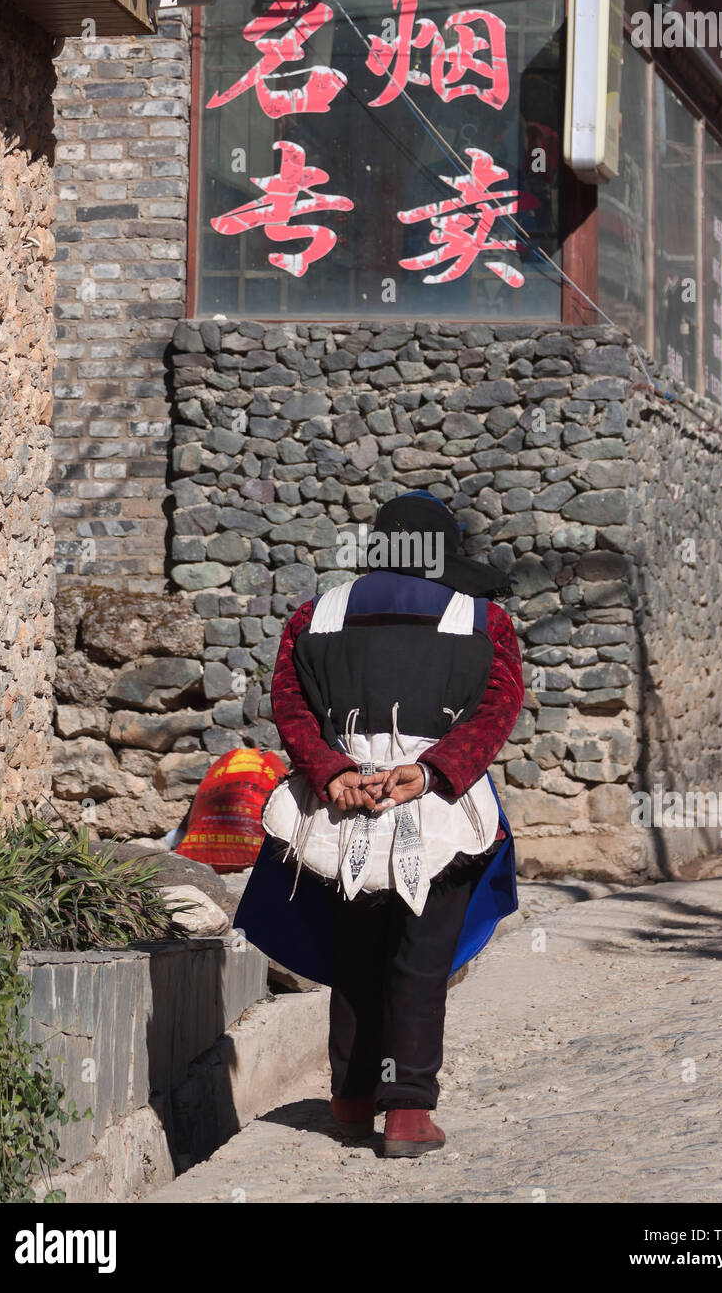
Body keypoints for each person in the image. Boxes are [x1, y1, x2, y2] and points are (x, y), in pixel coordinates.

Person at [234, 490, 525, 1157]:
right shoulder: (483, 620)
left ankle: (353, 1095)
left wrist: (331, 768)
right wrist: (432, 771)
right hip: (441, 808)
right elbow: (496, 709)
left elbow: (289, 702)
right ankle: (407, 1113)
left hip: (341, 805)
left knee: (356, 956)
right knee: (419, 961)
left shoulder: (315, 614)